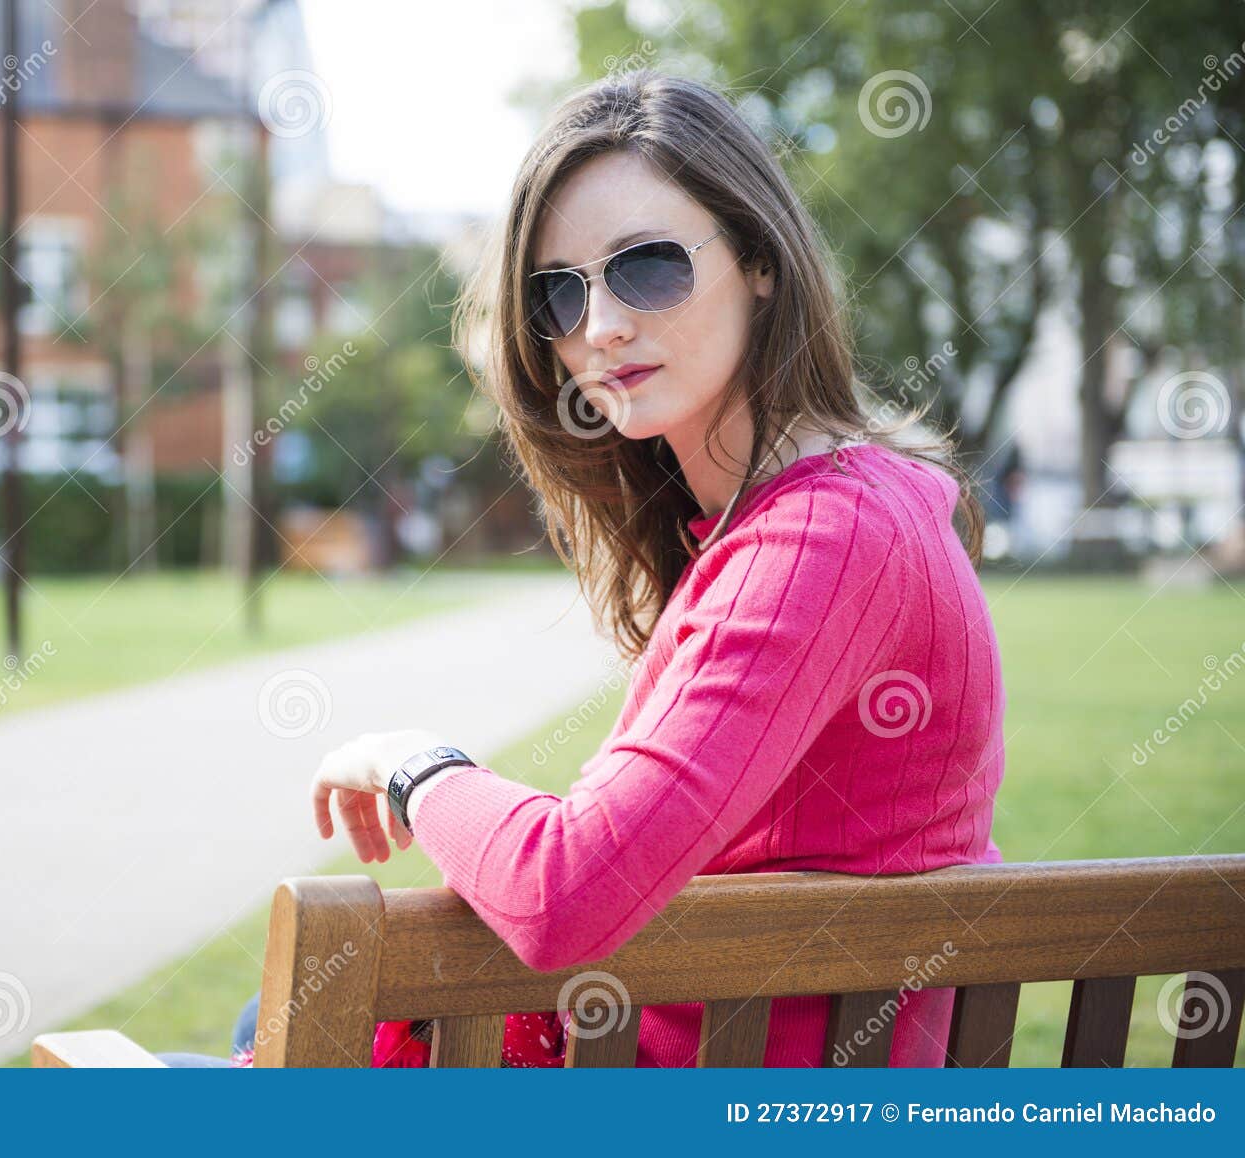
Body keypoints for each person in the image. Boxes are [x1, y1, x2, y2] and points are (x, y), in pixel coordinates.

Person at [174, 68, 1006, 1069]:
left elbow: (563, 895)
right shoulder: (832, 516)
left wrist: (415, 766)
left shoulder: (822, 543)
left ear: (759, 262)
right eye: (559, 294)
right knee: (250, 1037)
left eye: (647, 266)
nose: (598, 326)